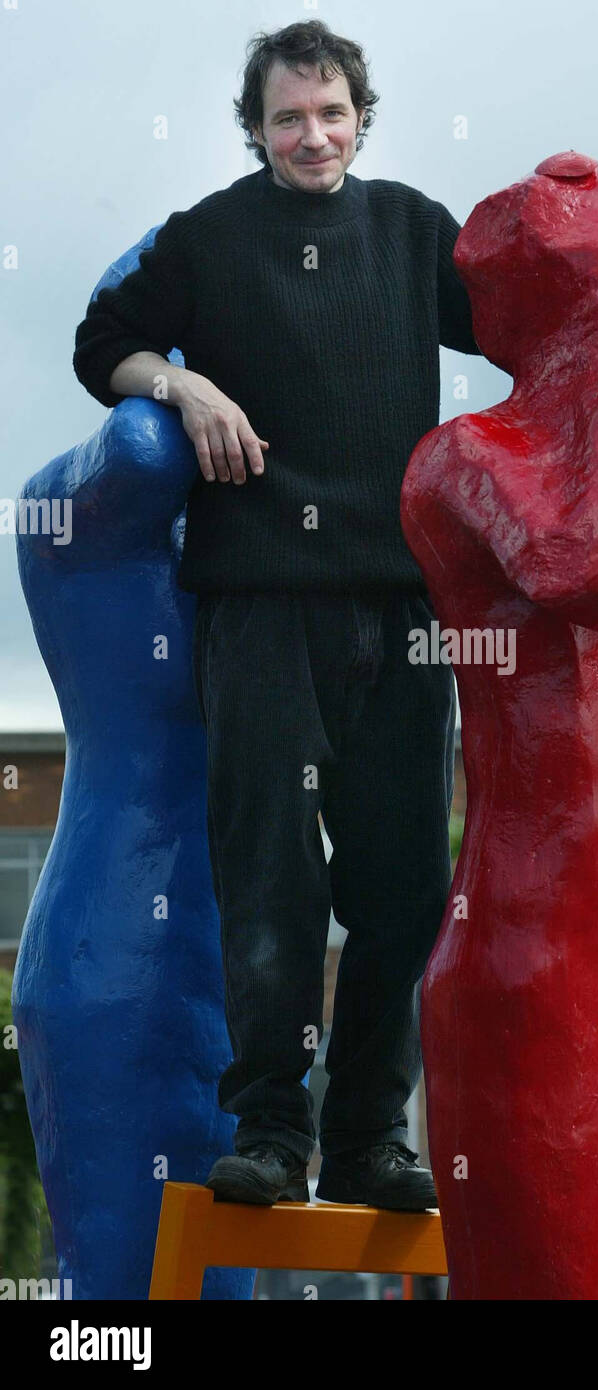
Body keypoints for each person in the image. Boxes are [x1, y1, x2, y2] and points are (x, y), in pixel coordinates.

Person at [73, 18, 482, 1209]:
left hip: (401, 604)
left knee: (403, 888)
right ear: (255, 129)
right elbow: (101, 341)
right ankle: (270, 1132)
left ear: (364, 115)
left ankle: (368, 1142)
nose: (314, 134)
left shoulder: (415, 230)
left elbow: (527, 329)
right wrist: (181, 377)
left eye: (332, 111)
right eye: (289, 117)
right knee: (270, 883)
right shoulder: (206, 237)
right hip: (256, 607)